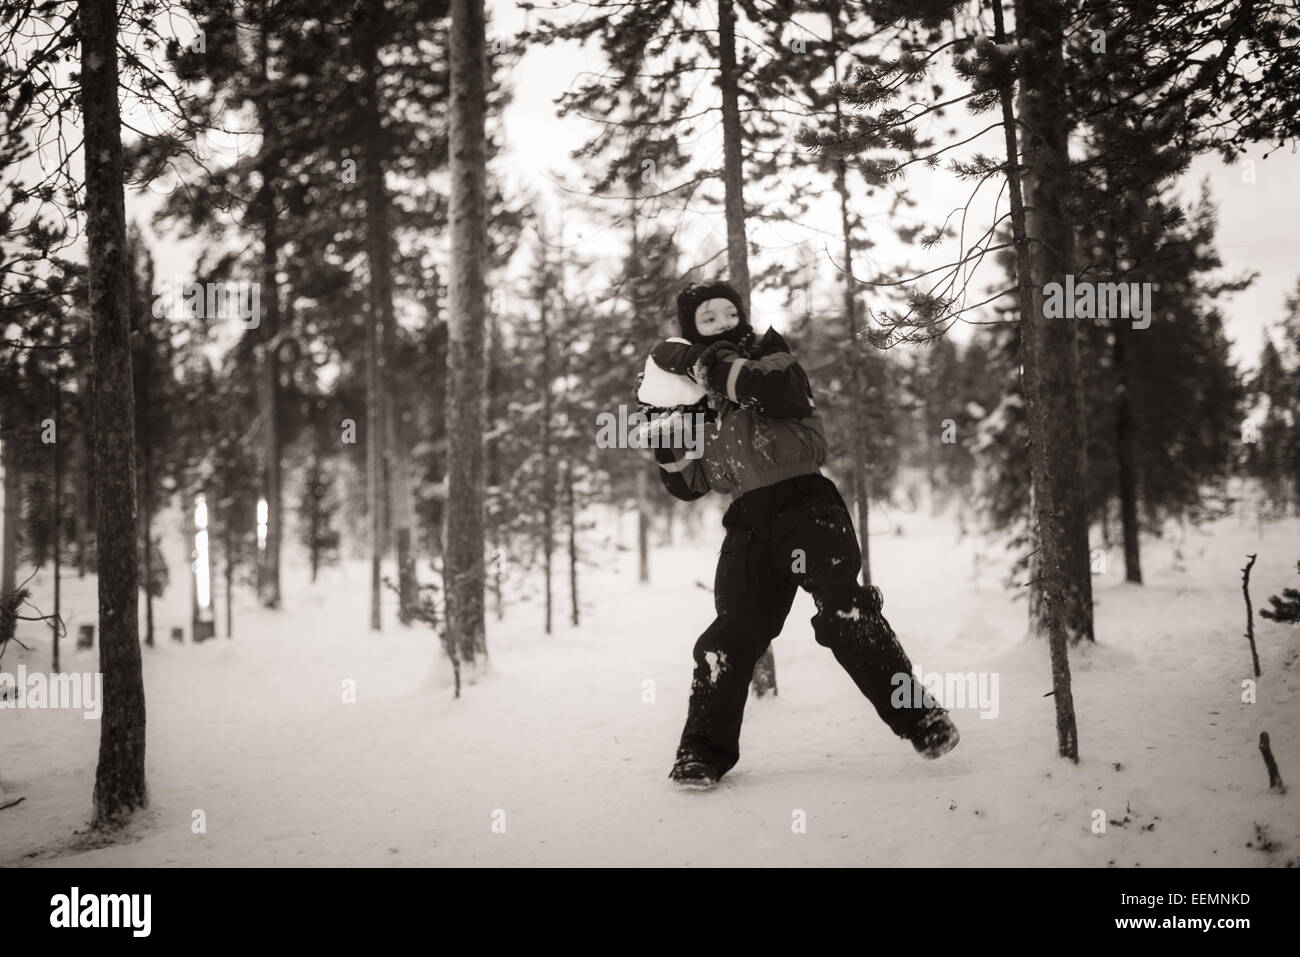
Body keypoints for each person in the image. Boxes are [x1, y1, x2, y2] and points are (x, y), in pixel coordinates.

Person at [643, 280, 959, 791]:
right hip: (747, 520)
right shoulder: (698, 404)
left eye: (730, 313)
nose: (724, 322)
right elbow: (688, 483)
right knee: (730, 636)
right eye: (708, 319)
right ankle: (700, 755)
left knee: (844, 608)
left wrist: (701, 364)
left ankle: (921, 720)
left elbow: (773, 394)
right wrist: (665, 434)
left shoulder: (774, 360)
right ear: (691, 329)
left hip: (806, 505)